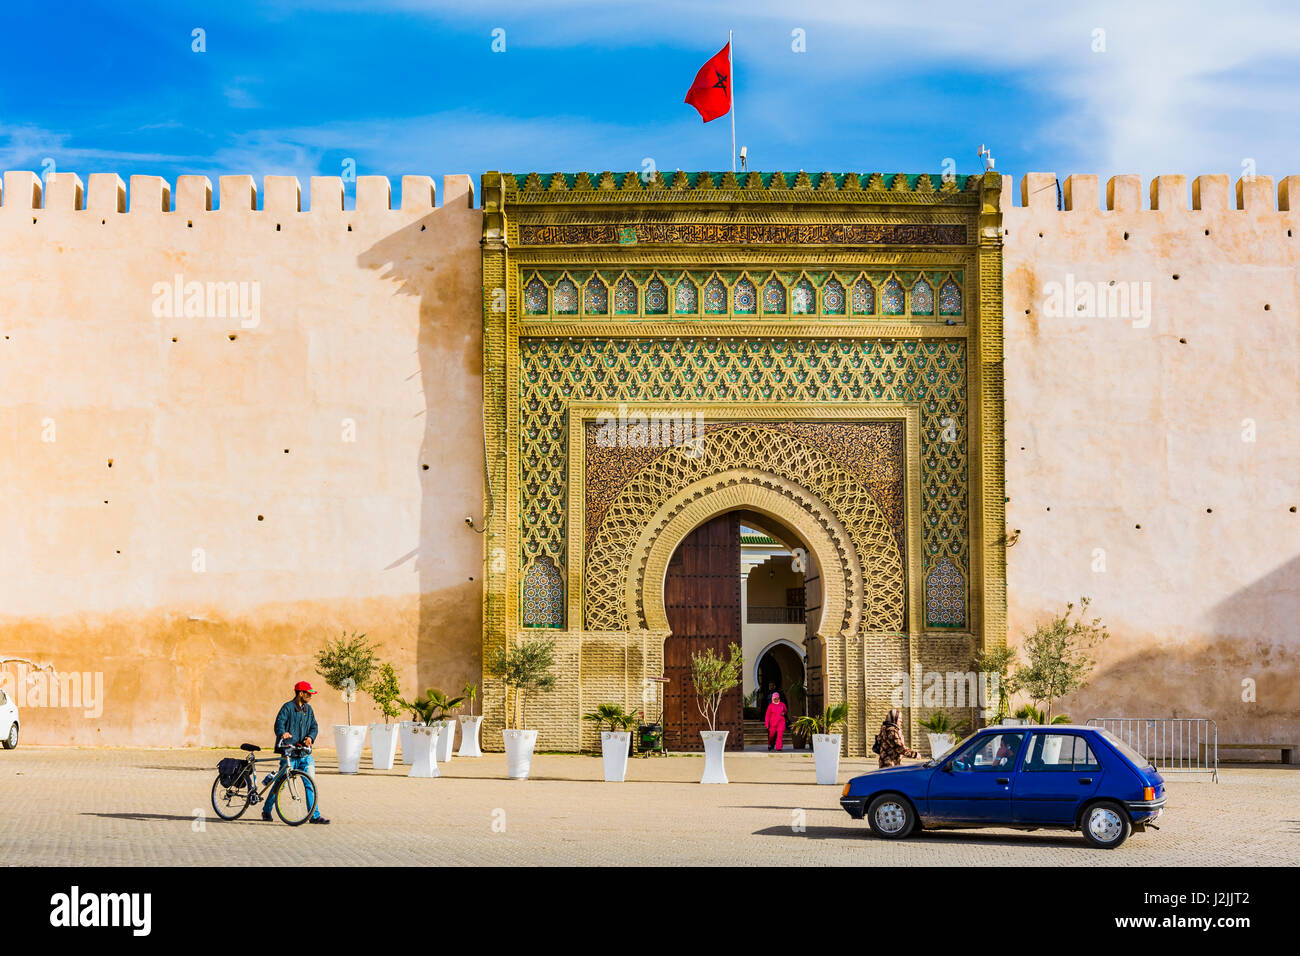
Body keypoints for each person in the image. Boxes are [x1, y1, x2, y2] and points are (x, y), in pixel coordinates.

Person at [265, 680, 329, 824]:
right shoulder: (287, 708)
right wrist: (283, 733)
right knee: (280, 785)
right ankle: (266, 810)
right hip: (290, 755)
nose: (311, 696)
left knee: (310, 784)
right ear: (301, 693)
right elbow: (279, 723)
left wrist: (310, 738)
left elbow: (314, 726)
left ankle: (314, 816)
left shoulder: (309, 709)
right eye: (308, 694)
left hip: (305, 754)